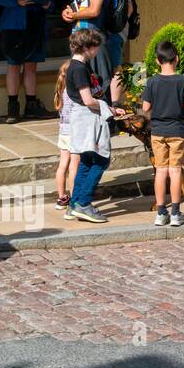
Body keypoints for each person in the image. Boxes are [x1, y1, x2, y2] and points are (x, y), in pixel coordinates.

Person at [61, 0, 123, 105]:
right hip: (89, 37)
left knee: (98, 81)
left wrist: (73, 15)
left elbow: (94, 10)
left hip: (93, 37)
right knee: (93, 79)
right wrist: (69, 13)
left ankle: (107, 120)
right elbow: (86, 6)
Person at [142, 40, 184, 228]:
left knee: (161, 171)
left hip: (158, 131)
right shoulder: (182, 81)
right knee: (176, 171)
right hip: (177, 131)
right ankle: (175, 213)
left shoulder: (152, 81)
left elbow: (145, 107)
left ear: (157, 61)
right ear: (177, 59)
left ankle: (161, 211)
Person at [64, 27, 113, 223]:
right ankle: (84, 203)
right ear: (87, 47)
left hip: (86, 119)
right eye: (96, 48)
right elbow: (88, 100)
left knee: (86, 161)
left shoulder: (80, 66)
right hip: (87, 119)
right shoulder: (78, 69)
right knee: (101, 159)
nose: (97, 51)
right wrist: (107, 108)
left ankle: (74, 204)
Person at [52, 60, 76, 211]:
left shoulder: (61, 91)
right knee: (74, 166)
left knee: (62, 165)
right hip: (74, 132)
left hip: (63, 132)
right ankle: (74, 198)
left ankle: (61, 197)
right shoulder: (73, 93)